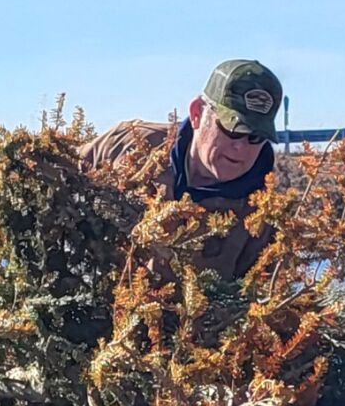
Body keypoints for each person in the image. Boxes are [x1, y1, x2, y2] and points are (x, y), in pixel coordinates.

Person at [78, 59, 283, 278]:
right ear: (197, 114)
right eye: (231, 129)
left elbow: (262, 304)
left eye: (256, 136)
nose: (240, 147)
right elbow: (57, 173)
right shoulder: (129, 145)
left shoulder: (262, 220)